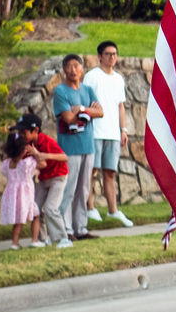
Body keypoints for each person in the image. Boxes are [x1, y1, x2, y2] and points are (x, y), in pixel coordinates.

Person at [82, 40, 134, 227]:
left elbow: (120, 106)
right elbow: (86, 102)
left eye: (114, 54)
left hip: (113, 133)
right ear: (100, 56)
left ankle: (113, 210)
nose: (112, 57)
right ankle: (90, 208)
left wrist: (123, 130)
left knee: (110, 172)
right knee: (91, 171)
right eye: (108, 54)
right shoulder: (91, 77)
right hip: (95, 132)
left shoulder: (119, 79)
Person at [52, 54, 103, 241]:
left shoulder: (87, 90)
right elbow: (67, 117)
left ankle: (80, 227)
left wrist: (81, 109)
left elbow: (100, 111)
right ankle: (65, 229)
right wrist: (87, 112)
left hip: (88, 145)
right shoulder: (60, 92)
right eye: (70, 66)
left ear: (82, 69)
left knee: (84, 189)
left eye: (77, 66)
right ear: (64, 69)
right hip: (70, 147)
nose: (74, 70)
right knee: (69, 189)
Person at [14, 114, 70, 248]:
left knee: (50, 208)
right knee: (36, 209)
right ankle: (42, 239)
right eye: (20, 132)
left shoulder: (47, 141)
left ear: (35, 131)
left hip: (58, 177)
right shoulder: (26, 145)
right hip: (44, 179)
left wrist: (42, 155)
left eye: (24, 132)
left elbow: (64, 157)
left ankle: (63, 239)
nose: (21, 135)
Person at [0, 131, 39, 250]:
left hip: (13, 194)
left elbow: (4, 171)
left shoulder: (7, 164)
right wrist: (35, 153)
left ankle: (15, 243)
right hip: (25, 195)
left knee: (18, 221)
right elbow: (41, 164)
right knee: (36, 215)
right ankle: (34, 240)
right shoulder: (26, 164)